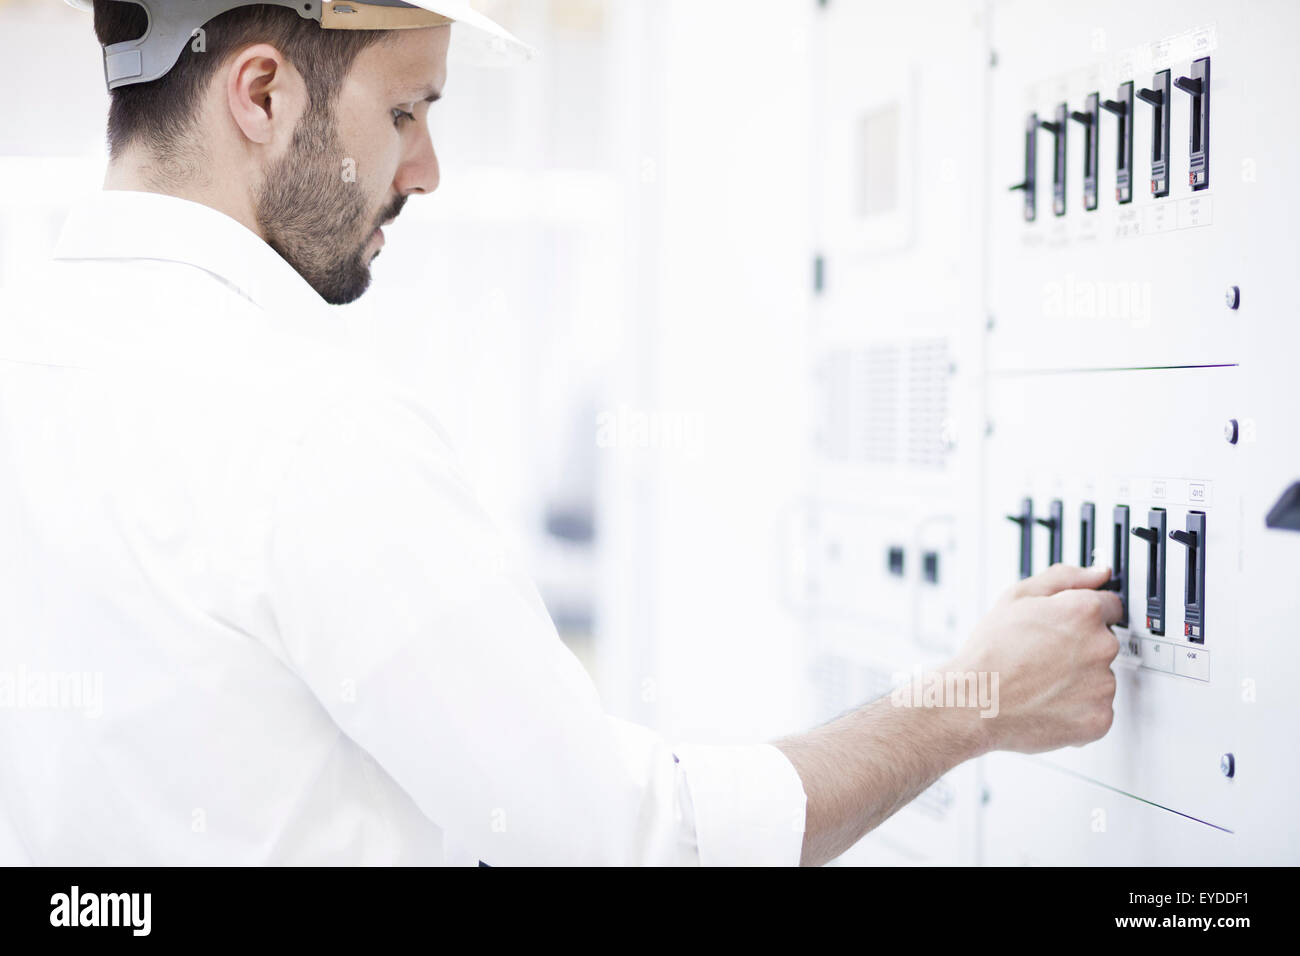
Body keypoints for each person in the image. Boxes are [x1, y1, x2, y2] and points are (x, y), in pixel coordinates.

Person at [0, 0, 1122, 866]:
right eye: (405, 110)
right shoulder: (306, 424)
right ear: (262, 95)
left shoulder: (31, 368)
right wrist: (971, 700)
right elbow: (626, 840)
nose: (426, 169)